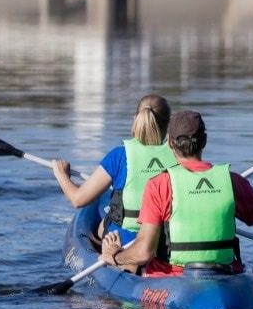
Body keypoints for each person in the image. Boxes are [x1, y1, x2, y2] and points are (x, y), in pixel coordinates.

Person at [99, 110, 253, 277]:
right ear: (205, 140)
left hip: (173, 279)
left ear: (170, 143)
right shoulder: (232, 181)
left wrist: (114, 255)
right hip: (226, 276)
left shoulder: (159, 185)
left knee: (129, 270)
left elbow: (143, 253)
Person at [52, 94, 174, 243]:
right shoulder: (179, 156)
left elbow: (77, 200)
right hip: (166, 241)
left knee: (103, 225)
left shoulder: (119, 156)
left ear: (135, 118)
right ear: (168, 124)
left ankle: (103, 250)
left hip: (125, 241)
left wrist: (61, 174)